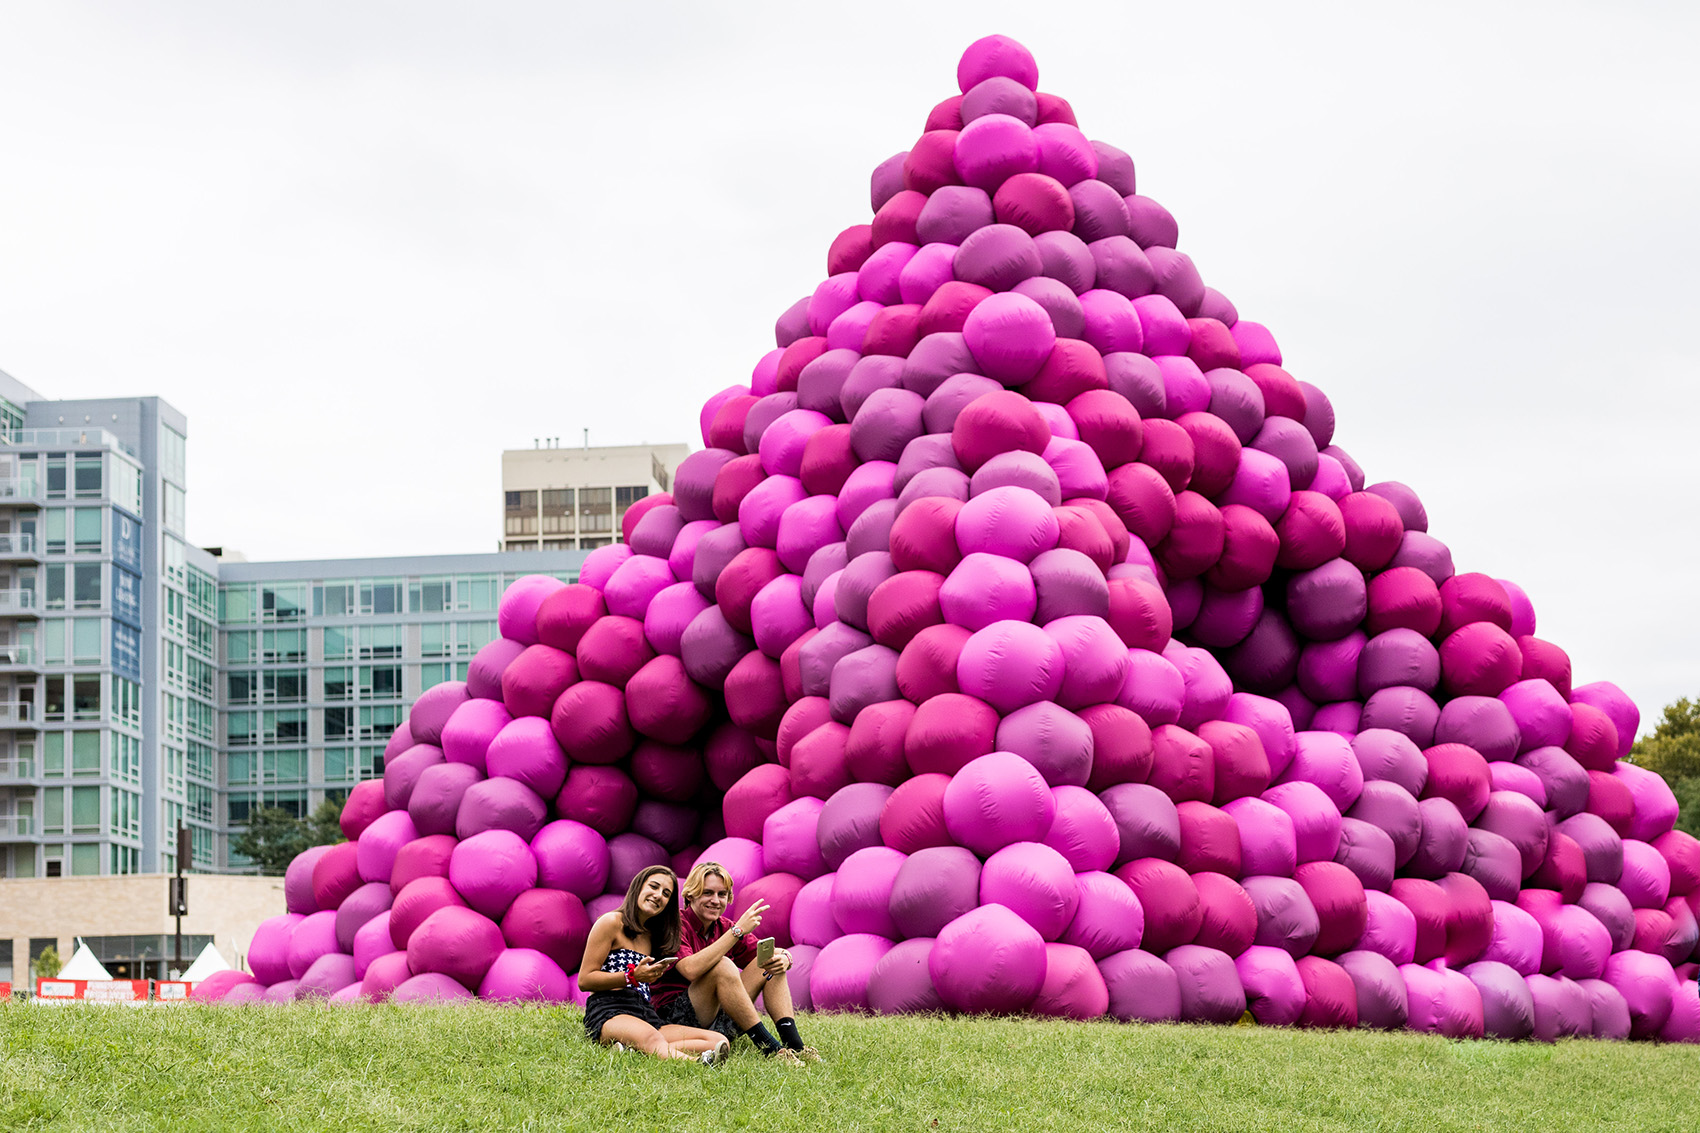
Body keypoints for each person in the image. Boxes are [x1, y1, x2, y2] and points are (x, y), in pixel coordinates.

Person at [649, 862, 820, 1064]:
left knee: (769, 962)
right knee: (722, 965)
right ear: (690, 895)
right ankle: (770, 1048)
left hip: (719, 1016)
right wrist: (737, 932)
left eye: (722, 894)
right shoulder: (674, 923)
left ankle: (795, 1046)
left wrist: (785, 958)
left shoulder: (724, 927)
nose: (715, 900)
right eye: (707, 893)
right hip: (676, 1018)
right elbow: (690, 970)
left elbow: (767, 955)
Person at [578, 865, 729, 1064]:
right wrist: (631, 977)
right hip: (611, 1010)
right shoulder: (611, 922)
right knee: (652, 1038)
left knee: (718, 1040)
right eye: (654, 887)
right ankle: (698, 1064)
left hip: (645, 1012)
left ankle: (633, 1049)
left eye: (666, 894)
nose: (658, 896)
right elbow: (585, 980)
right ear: (638, 887)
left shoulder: (655, 936)